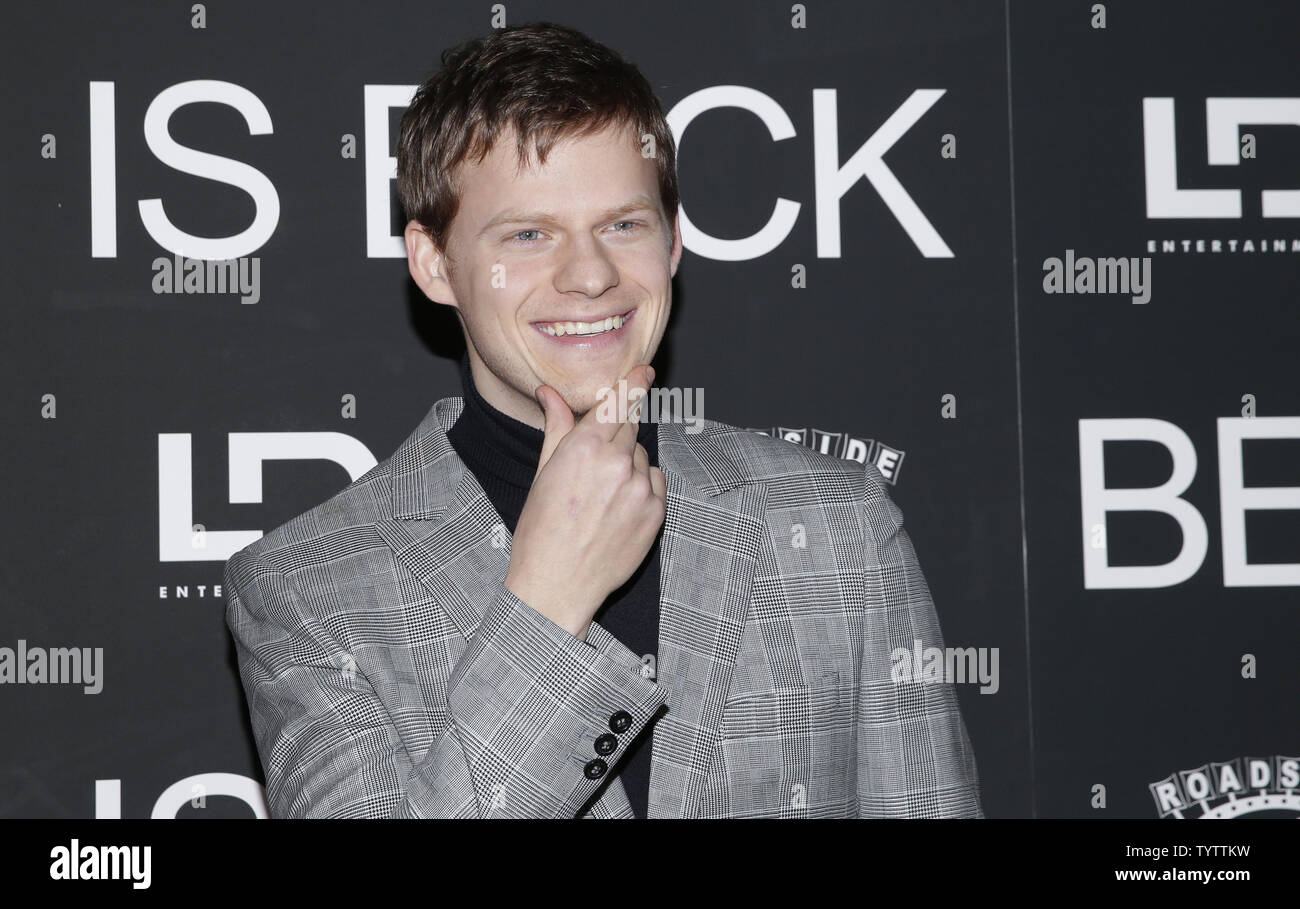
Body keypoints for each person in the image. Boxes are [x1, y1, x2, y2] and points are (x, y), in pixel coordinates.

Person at [224, 20, 983, 818]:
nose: (590, 275)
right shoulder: (306, 588)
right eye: (528, 233)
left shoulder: (838, 528)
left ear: (675, 243)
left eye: (624, 225)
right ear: (434, 264)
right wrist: (547, 602)